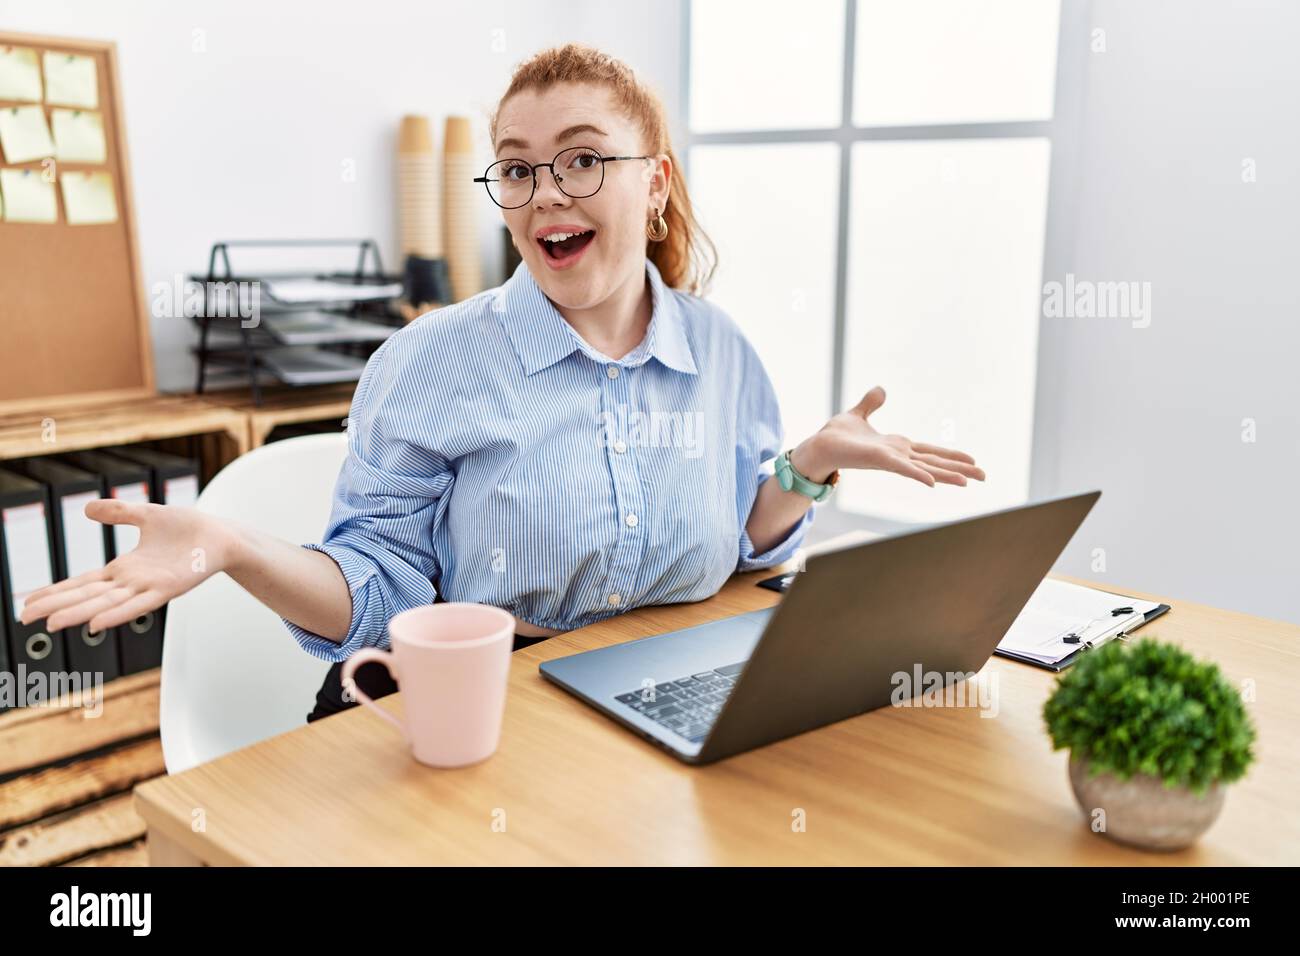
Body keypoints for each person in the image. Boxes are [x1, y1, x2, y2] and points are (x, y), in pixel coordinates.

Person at [20, 43, 984, 722]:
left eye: (583, 159)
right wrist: (235, 546)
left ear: (654, 185)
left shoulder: (718, 349)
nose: (546, 193)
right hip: (454, 705)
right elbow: (372, 594)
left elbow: (733, 542)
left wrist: (807, 464)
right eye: (517, 170)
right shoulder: (431, 362)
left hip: (646, 685)